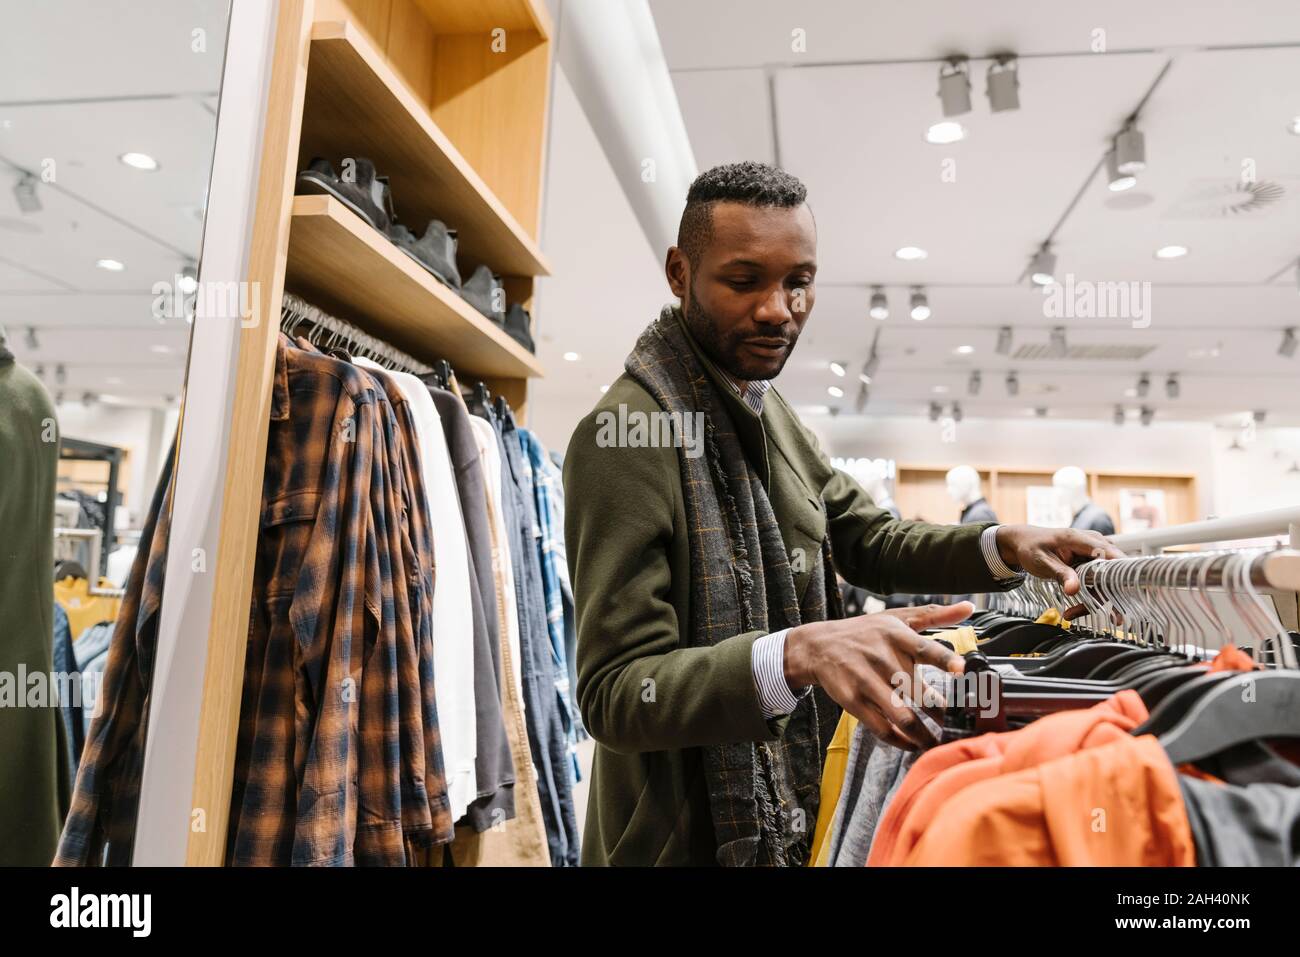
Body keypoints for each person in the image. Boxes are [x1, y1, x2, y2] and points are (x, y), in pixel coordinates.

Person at [562, 161, 1120, 867]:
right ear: (680, 273)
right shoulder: (626, 435)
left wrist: (1002, 544)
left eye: (798, 281)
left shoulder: (770, 412)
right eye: (744, 280)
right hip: (679, 842)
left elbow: (868, 537)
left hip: (794, 818)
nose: (777, 308)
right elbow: (614, 692)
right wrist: (797, 653)